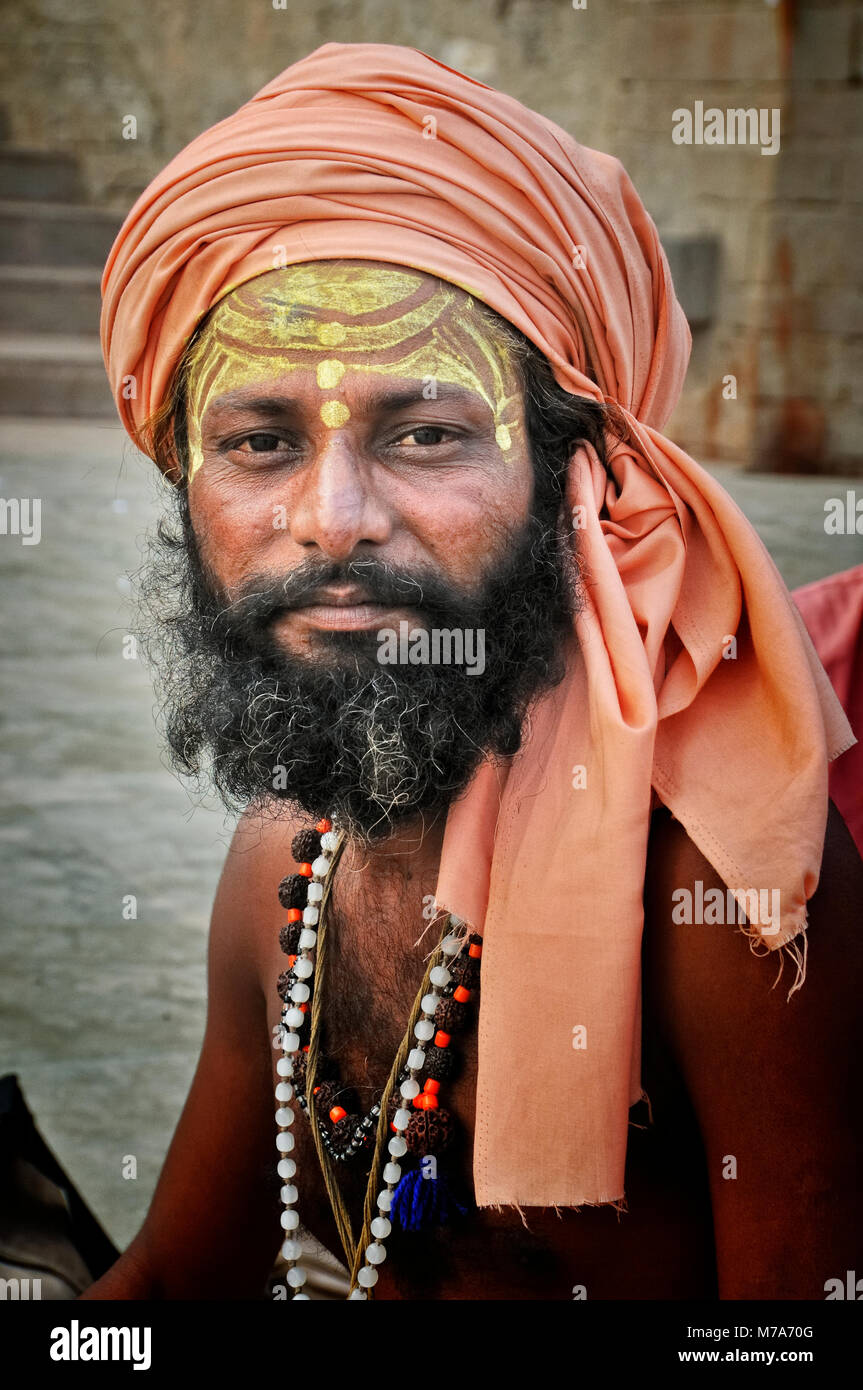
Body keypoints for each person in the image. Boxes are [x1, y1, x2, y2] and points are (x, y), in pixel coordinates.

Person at [84, 43, 861, 1301]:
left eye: (428, 433)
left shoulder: (722, 901)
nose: (332, 520)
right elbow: (173, 1284)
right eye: (260, 442)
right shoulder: (283, 865)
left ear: (574, 472)